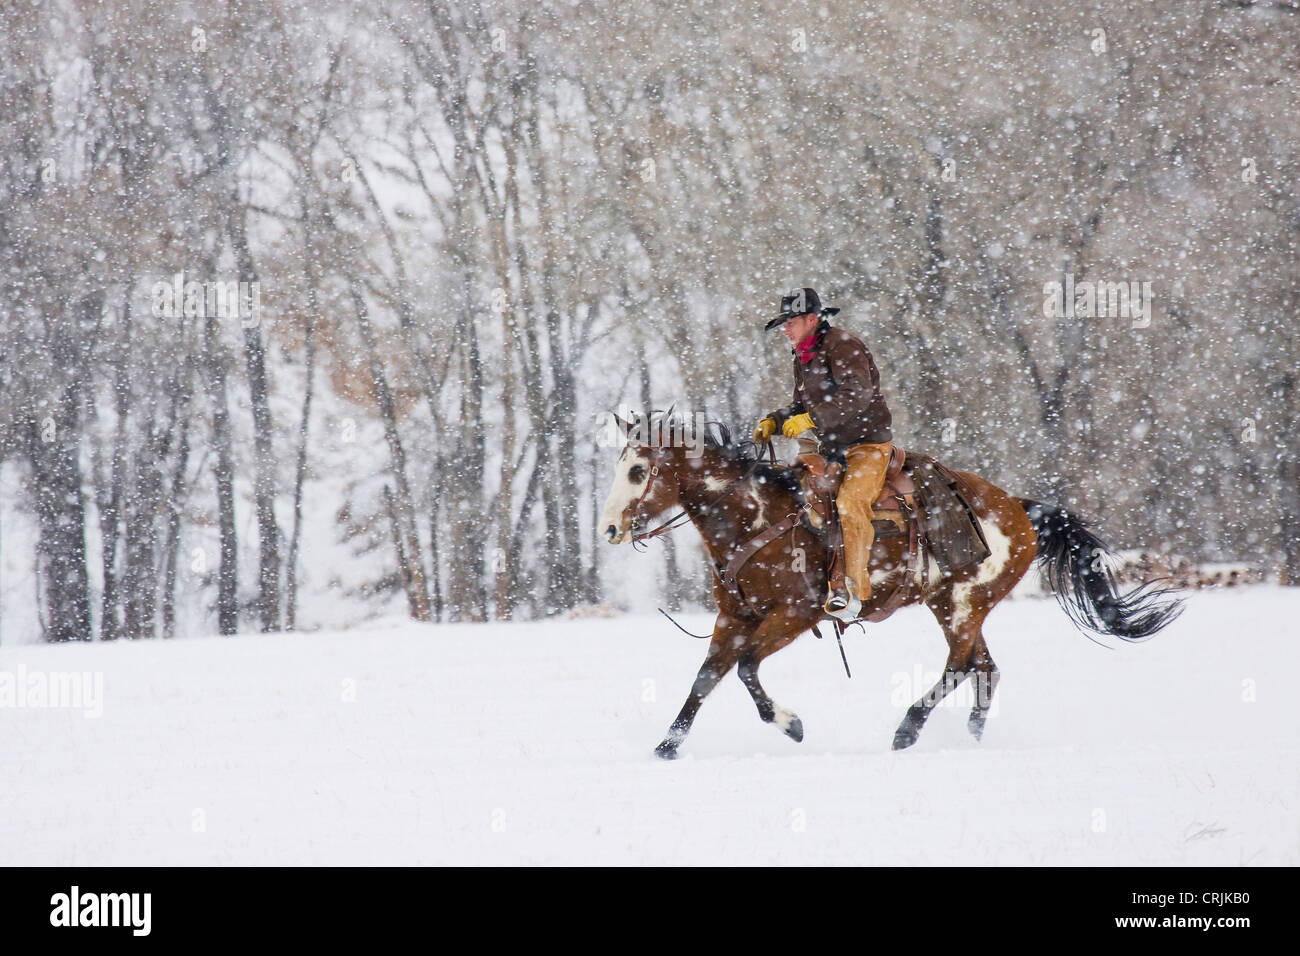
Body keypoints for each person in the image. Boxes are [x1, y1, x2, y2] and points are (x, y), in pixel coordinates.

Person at [753, 288, 894, 619]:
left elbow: (857, 394)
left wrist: (811, 419)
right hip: (830, 448)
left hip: (867, 445)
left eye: (790, 322)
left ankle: (854, 593)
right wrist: (778, 419)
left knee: (849, 504)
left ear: (812, 319)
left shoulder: (843, 345)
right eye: (783, 323)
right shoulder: (803, 355)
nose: (785, 329)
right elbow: (801, 407)